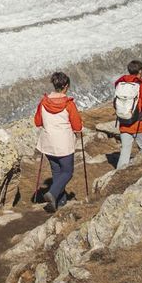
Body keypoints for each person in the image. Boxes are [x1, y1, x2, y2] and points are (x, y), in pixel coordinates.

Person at [34, 71, 84, 212]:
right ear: (66, 86)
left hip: (48, 143)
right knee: (67, 172)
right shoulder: (68, 104)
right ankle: (53, 193)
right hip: (64, 144)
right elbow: (77, 126)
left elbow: (37, 122)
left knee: (57, 172)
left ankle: (59, 203)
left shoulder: (43, 102)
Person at [112, 59, 142, 169]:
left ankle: (118, 175)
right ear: (140, 71)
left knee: (125, 151)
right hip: (139, 125)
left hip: (124, 122)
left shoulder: (120, 84)